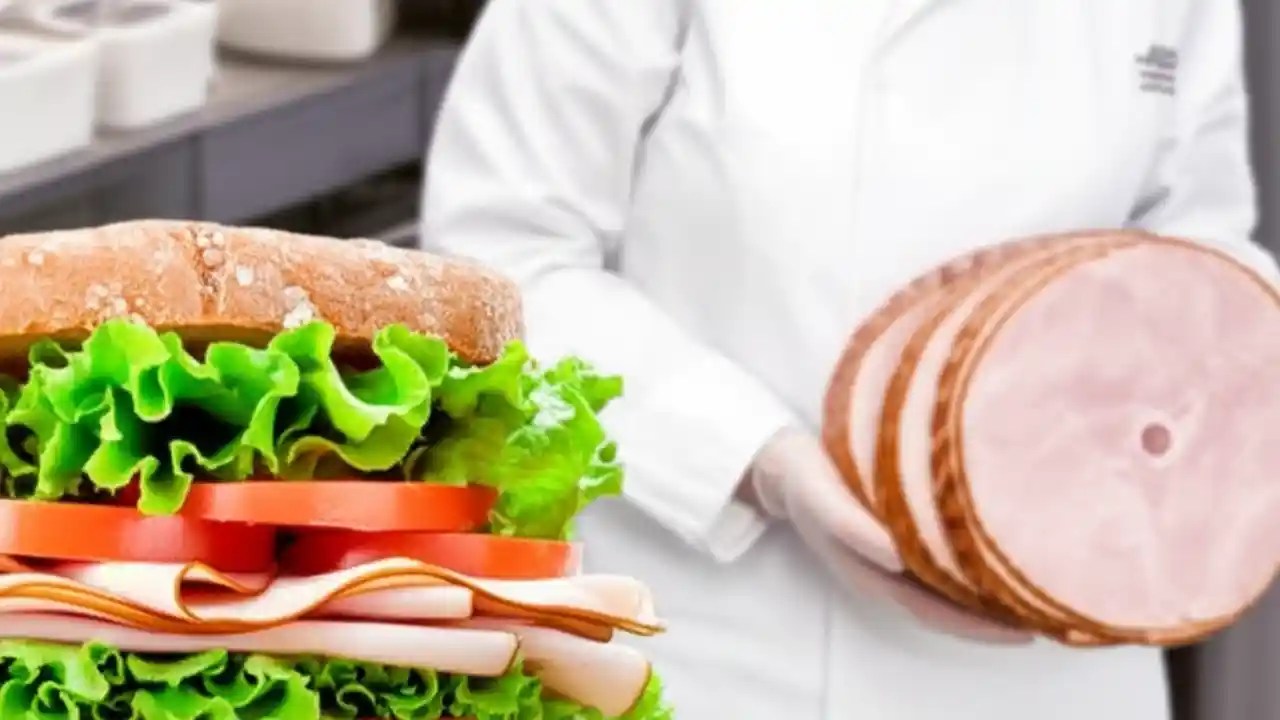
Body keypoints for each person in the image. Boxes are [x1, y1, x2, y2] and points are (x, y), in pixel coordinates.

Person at [419, 1, 1280, 717]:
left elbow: (1199, 244)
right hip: (724, 642)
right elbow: (504, 256)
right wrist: (760, 462)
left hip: (1062, 653)